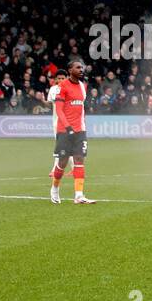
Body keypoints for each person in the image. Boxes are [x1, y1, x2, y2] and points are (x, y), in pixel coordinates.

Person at [49, 59, 94, 204]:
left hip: (80, 131)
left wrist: (82, 126)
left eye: (82, 67)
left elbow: (81, 108)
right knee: (62, 163)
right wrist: (68, 127)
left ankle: (79, 195)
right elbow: (59, 110)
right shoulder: (62, 87)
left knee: (79, 160)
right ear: (70, 70)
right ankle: (55, 189)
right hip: (64, 131)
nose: (81, 70)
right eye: (78, 67)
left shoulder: (82, 86)